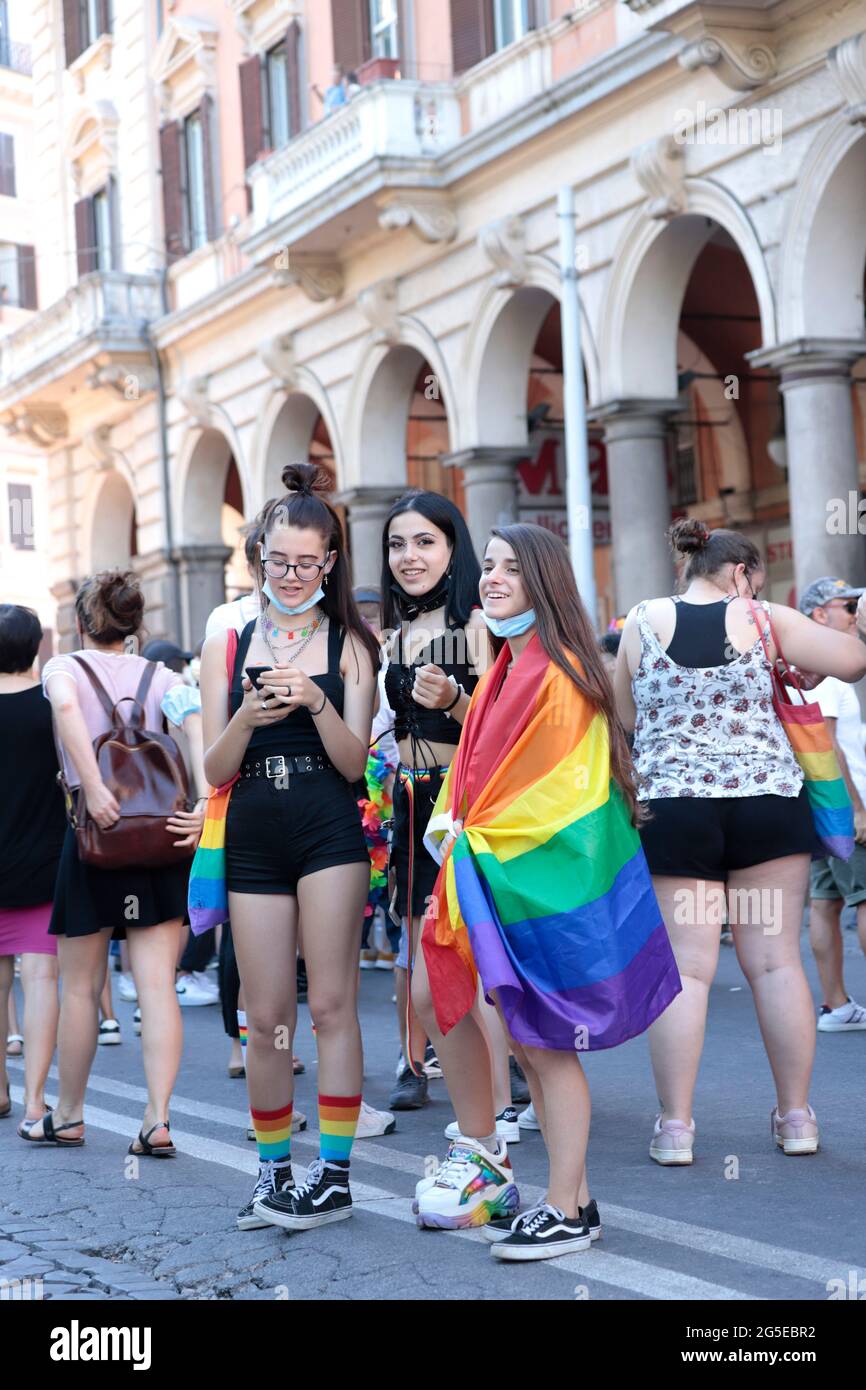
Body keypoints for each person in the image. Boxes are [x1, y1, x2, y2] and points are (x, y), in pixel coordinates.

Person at [412, 524, 679, 1259]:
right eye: (487, 567)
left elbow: (561, 800)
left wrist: (473, 851)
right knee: (502, 1029)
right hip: (497, 875)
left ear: (545, 582)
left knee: (545, 1044)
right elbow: (492, 776)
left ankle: (567, 1205)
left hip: (533, 884)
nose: (490, 579)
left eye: (508, 569)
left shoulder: (555, 672)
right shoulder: (510, 665)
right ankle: (542, 1184)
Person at [614, 521, 866, 1164]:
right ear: (741, 574)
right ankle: (798, 1119)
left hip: (676, 811)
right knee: (777, 963)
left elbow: (622, 719)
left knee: (690, 970)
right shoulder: (763, 617)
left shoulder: (641, 620)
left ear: (688, 569)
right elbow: (852, 661)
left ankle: (676, 1128)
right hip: (765, 807)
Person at [199, 463, 379, 1231]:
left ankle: (332, 1175)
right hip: (253, 829)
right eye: (279, 561)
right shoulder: (229, 631)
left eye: (308, 563)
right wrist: (248, 713)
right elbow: (211, 767)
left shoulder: (352, 641)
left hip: (328, 825)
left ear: (331, 562)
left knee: (333, 1003)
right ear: (259, 553)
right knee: (264, 1012)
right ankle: (273, 1172)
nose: (293, 575)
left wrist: (314, 700)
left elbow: (354, 763)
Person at [30, 571, 207, 1153]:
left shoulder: (64, 668)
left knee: (80, 988)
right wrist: (204, 797)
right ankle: (157, 1120)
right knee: (156, 985)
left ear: (81, 624)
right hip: (160, 838)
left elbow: (64, 710)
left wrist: (94, 786)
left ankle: (71, 1113)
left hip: (93, 839)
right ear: (136, 627)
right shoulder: (164, 675)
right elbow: (193, 720)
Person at [379, 490, 494, 1112]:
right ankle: (472, 1100)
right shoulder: (397, 635)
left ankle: (498, 1105)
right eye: (397, 543)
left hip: (462, 807)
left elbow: (505, 730)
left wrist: (453, 700)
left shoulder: (476, 627)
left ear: (453, 549)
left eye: (425, 541)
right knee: (425, 969)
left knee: (467, 969)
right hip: (410, 802)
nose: (408, 556)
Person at [0, 606, 66, 1135]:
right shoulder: (51, 704)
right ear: (35, 647)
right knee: (41, 979)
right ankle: (36, 1102)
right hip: (44, 858)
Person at [796, 576, 866, 1031]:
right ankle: (836, 1005)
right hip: (841, 802)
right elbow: (825, 744)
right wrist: (856, 809)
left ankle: (836, 1005)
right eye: (846, 605)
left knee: (826, 901)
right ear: (820, 615)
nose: (853, 612)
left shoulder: (810, 660)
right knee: (864, 897)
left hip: (818, 804)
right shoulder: (827, 665)